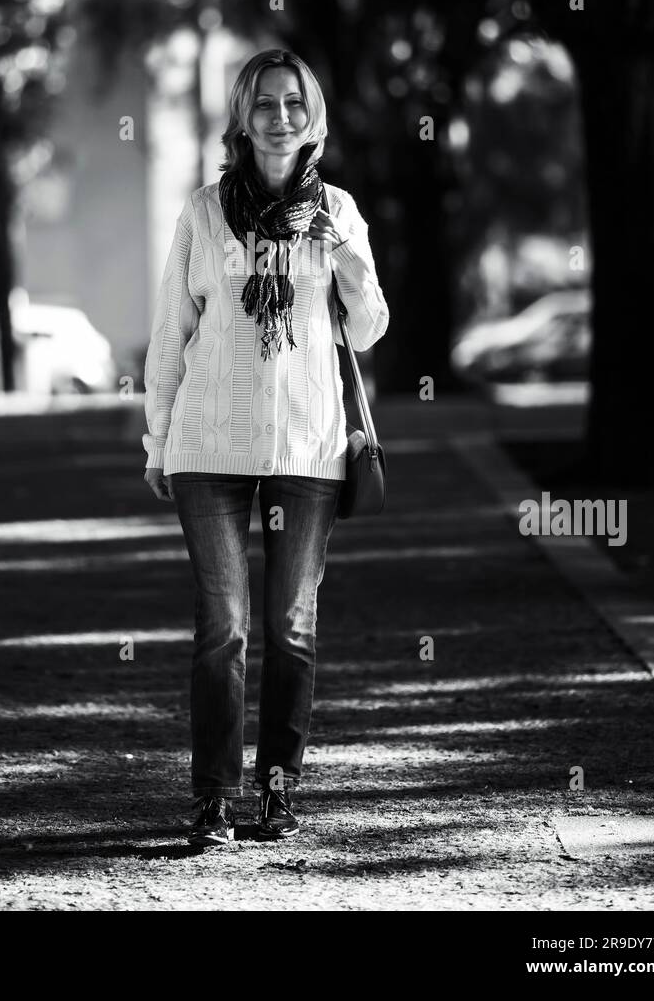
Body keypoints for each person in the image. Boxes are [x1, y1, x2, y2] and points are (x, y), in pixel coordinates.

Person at [142, 48, 389, 847]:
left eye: (293, 103)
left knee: (291, 628)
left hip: (307, 448)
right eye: (264, 105)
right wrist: (156, 439)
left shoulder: (340, 211)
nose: (280, 117)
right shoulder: (204, 211)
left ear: (311, 115)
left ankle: (279, 791)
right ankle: (213, 798)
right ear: (242, 120)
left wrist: (343, 254)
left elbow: (372, 326)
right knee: (224, 629)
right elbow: (170, 337)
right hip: (208, 445)